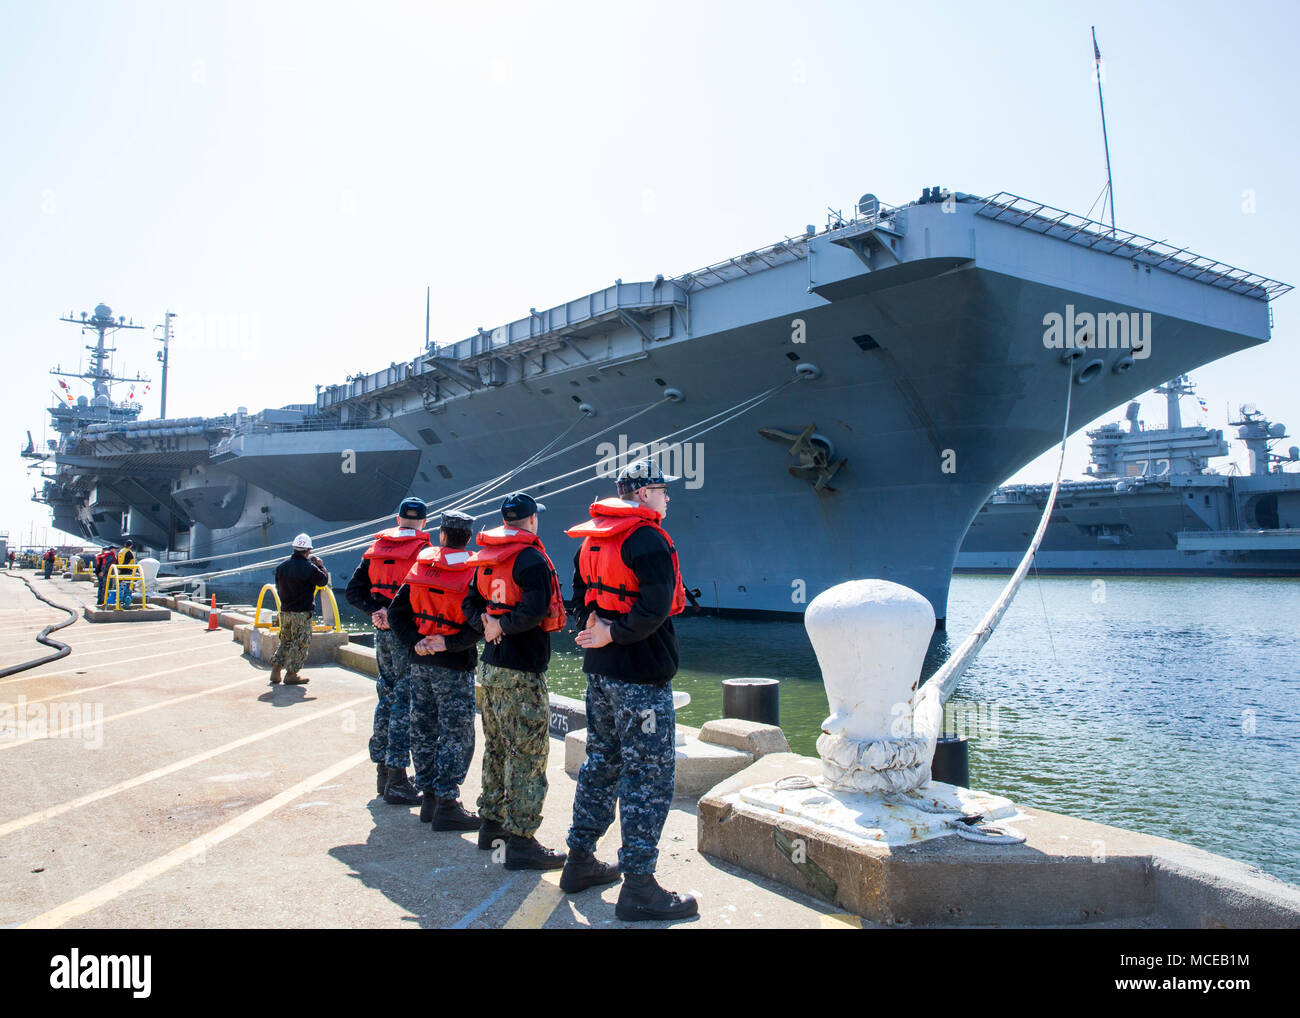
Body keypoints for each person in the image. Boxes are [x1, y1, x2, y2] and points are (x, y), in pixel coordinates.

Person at [560, 458, 697, 921]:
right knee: (648, 775)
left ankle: (579, 860)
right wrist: (615, 633)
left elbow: (579, 595)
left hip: (599, 671)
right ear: (643, 494)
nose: (667, 497)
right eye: (661, 490)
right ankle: (639, 886)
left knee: (601, 760)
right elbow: (656, 607)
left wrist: (595, 628)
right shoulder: (648, 538)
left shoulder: (594, 539)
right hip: (640, 674)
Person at [461, 492, 568, 870]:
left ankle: (491, 827)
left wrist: (488, 627)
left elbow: (468, 603)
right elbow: (537, 609)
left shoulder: (486, 557)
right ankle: (521, 841)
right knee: (528, 755)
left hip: (489, 669)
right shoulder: (532, 558)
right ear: (531, 520)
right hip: (521, 673)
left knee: (497, 747)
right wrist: (503, 625)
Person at [387, 510, 482, 830]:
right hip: (453, 666)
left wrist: (416, 642)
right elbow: (478, 623)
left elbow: (396, 613)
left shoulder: (420, 565)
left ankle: (428, 796)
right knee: (457, 732)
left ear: (442, 535)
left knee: (423, 728)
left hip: (420, 665)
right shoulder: (472, 570)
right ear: (467, 538)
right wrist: (449, 643)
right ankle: (448, 803)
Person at [345, 498, 432, 806]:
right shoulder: (424, 551)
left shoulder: (376, 551)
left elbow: (353, 592)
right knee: (404, 703)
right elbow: (424, 593)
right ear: (423, 521)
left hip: (381, 633)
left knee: (387, 696)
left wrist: (376, 610)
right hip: (407, 634)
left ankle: (382, 771)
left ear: (398, 519)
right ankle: (397, 777)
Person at [269, 533, 329, 686]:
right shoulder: (309, 568)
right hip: (302, 613)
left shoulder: (281, 568)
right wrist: (320, 565)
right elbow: (322, 581)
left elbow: (278, 586)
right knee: (301, 643)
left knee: (286, 641)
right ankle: (291, 674)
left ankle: (276, 670)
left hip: (285, 612)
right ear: (308, 551)